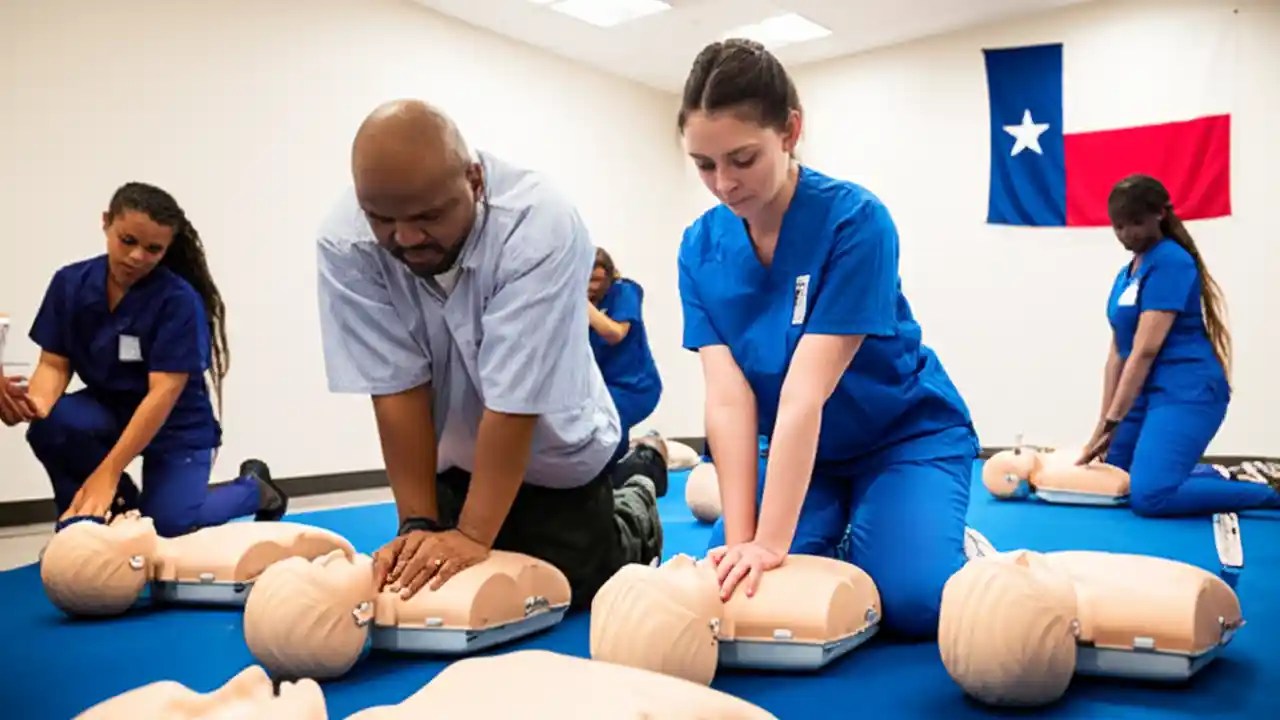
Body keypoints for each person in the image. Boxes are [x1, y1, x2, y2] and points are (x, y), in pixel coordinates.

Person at [674, 39, 982, 640]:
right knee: (736, 579)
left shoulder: (856, 221)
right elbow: (729, 401)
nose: (723, 184)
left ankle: (946, 540)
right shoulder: (699, 246)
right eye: (704, 164)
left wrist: (771, 540)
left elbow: (804, 393)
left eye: (742, 158)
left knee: (916, 602)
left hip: (902, 435)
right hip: (805, 458)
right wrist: (745, 544)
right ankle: (846, 531)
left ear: (790, 131)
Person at [315, 99, 665, 608]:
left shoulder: (539, 221)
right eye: (383, 220)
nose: (406, 238)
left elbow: (515, 400)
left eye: (429, 216)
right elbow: (394, 386)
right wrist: (418, 524)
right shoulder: (345, 240)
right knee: (449, 578)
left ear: (475, 181)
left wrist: (474, 536)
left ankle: (637, 495)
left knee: (575, 585)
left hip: (551, 438)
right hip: (453, 449)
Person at [2, 182, 287, 536]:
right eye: (128, 241)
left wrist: (107, 474)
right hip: (109, 410)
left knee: (166, 526)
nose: (137, 256)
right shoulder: (70, 283)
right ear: (106, 223)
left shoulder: (177, 301)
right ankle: (103, 518)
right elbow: (54, 364)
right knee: (52, 427)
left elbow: (162, 395)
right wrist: (32, 405)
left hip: (174, 424)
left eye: (153, 249)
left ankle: (256, 489)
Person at [1076, 174, 1280, 514]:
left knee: (1151, 496)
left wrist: (1114, 422)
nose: (1127, 236)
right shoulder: (1125, 274)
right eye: (1119, 227)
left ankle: (1263, 490)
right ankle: (1209, 474)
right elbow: (1117, 354)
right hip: (1143, 394)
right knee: (1115, 476)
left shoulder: (1171, 261)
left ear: (1161, 214)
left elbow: (1144, 351)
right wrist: (1102, 425)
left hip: (1186, 392)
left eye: (1136, 224)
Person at [587, 248, 664, 472]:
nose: (592, 286)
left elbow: (615, 333)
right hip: (600, 388)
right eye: (587, 280)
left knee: (604, 428)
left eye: (597, 280)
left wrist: (581, 303)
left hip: (635, 387)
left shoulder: (625, 292)